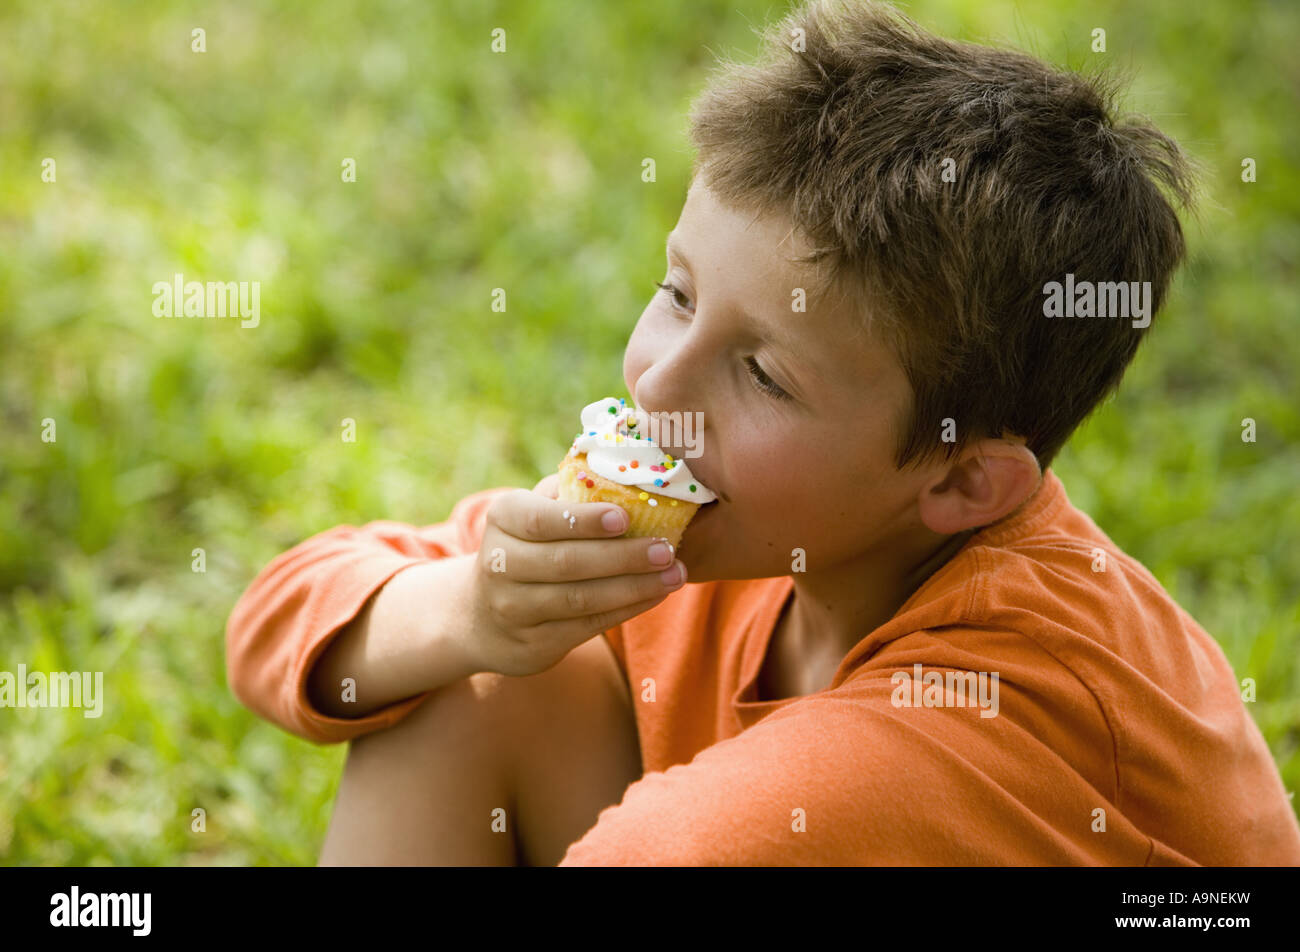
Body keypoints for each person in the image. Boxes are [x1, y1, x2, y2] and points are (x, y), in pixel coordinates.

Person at [225, 0, 1300, 865]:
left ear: (966, 481)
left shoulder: (998, 703)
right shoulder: (732, 530)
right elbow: (277, 617)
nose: (658, 388)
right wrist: (470, 610)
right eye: (679, 294)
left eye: (764, 376)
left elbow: (669, 849)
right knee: (482, 683)